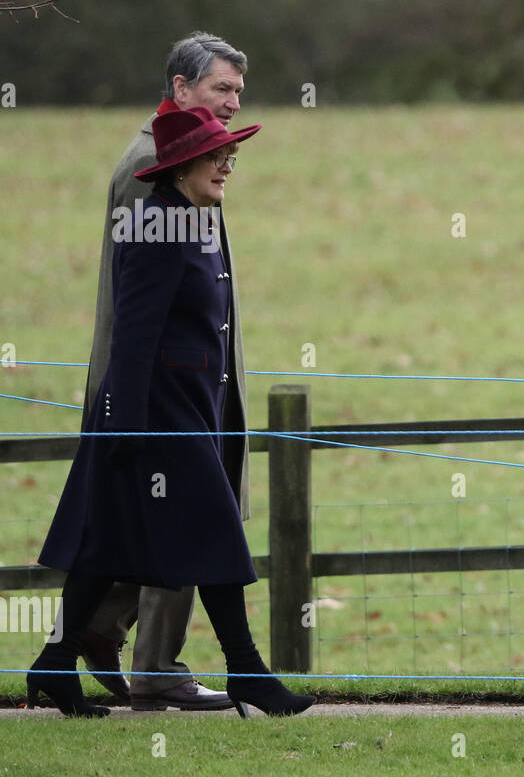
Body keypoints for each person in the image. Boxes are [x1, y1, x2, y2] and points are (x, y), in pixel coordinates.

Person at [28, 107, 314, 719]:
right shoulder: (157, 225)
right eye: (217, 156)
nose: (227, 165)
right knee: (215, 533)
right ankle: (248, 673)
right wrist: (129, 427)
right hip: (157, 417)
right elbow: (132, 336)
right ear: (182, 165)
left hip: (183, 411)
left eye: (230, 155)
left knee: (106, 542)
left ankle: (54, 663)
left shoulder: (189, 220)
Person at [71, 32, 251, 711]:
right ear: (180, 89)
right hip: (158, 384)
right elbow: (138, 298)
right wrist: (132, 398)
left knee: (166, 517)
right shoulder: (149, 163)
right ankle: (153, 665)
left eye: (237, 91)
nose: (232, 102)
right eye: (220, 89)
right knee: (185, 517)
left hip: (192, 377)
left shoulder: (190, 153)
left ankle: (93, 632)